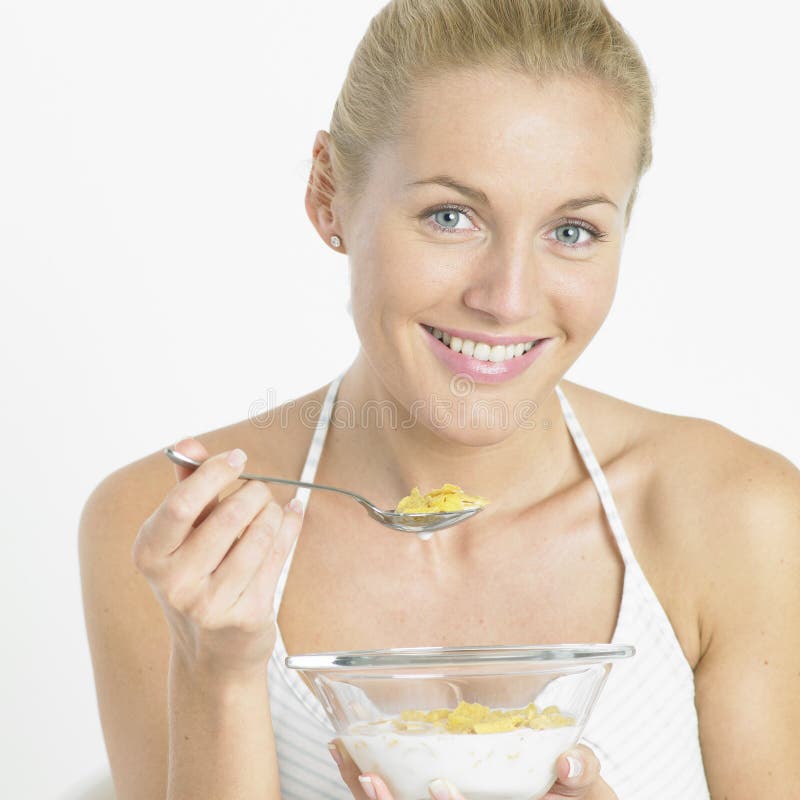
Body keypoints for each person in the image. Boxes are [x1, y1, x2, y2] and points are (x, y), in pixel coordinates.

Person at [78, 1, 800, 798]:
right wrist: (216, 672)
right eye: (450, 217)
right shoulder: (169, 533)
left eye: (572, 231)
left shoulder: (738, 515)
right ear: (329, 193)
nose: (507, 298)